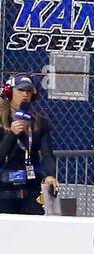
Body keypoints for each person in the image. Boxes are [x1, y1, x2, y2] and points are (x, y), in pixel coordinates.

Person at [0, 74, 57, 215]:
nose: (25, 95)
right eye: (20, 90)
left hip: (31, 189)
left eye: (29, 91)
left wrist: (51, 175)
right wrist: (11, 134)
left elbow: (47, 154)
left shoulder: (39, 122)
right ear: (9, 92)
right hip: (4, 189)